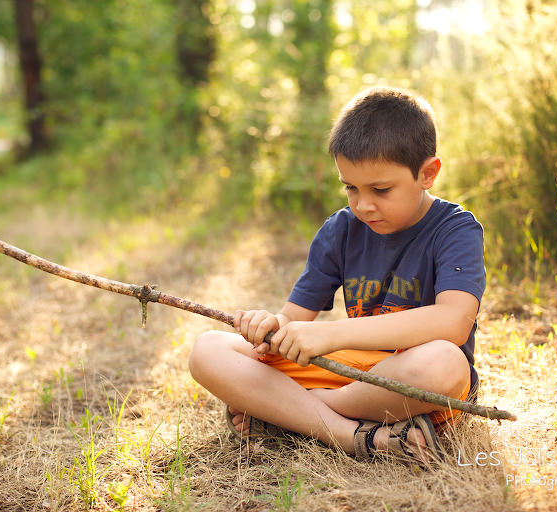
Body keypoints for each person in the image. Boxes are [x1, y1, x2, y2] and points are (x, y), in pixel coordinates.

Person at [188, 86, 485, 463]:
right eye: (350, 187)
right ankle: (353, 436)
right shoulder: (340, 230)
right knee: (209, 349)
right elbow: (293, 321)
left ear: (427, 174)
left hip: (413, 386)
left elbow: (453, 322)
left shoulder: (455, 229)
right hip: (347, 373)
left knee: (445, 360)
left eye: (380, 189)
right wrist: (269, 327)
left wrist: (327, 336)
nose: (363, 204)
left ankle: (296, 414)